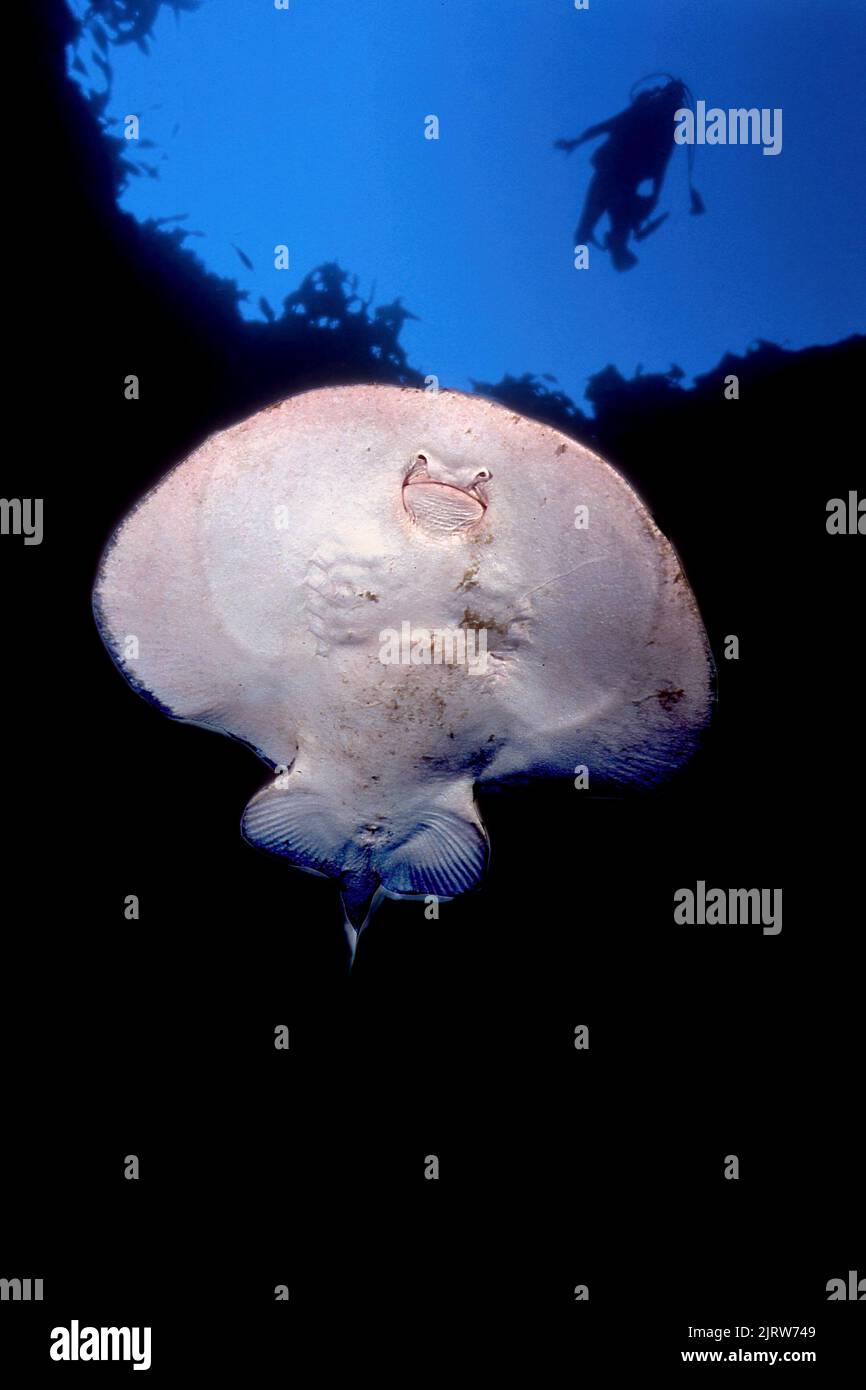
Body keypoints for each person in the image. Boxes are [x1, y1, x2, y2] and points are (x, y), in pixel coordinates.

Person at [555, 77, 701, 270]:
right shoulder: (648, 112)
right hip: (616, 173)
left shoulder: (657, 118)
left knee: (599, 222)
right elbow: (608, 126)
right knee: (592, 224)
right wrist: (576, 141)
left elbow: (661, 163)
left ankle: (599, 245)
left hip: (620, 177)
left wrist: (577, 141)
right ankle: (595, 247)